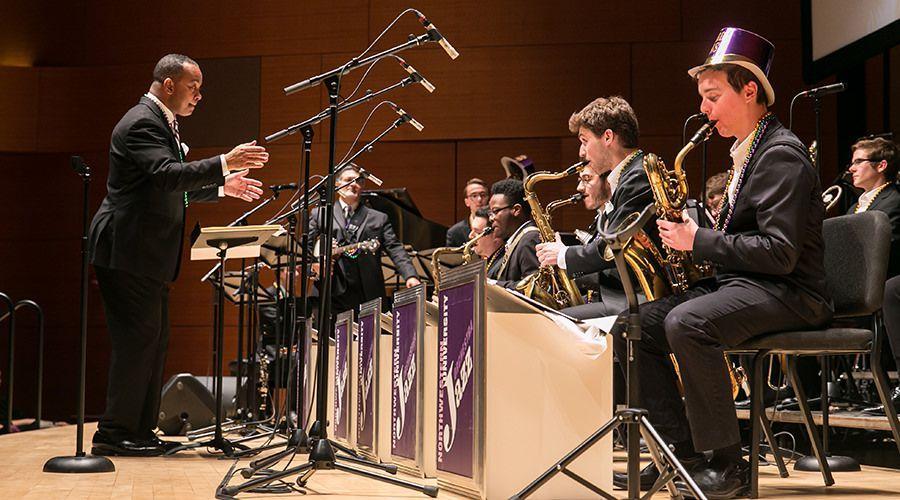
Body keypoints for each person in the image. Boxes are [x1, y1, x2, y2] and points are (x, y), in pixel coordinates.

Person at [611, 28, 832, 498]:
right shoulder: (749, 153)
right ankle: (679, 455)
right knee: (634, 325)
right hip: (752, 284)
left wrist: (700, 241)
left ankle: (728, 466)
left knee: (689, 322)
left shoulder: (781, 155)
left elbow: (779, 252)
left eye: (713, 97)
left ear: (749, 90)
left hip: (793, 293)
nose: (704, 111)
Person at [89, 54, 269, 456]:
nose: (199, 96)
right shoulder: (140, 123)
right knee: (137, 342)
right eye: (194, 87)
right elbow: (168, 175)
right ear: (168, 85)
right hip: (126, 247)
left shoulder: (159, 123)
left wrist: (224, 188)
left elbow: (170, 185)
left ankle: (139, 428)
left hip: (144, 253)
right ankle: (115, 432)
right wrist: (225, 162)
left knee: (154, 341)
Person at [535, 96, 658, 318]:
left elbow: (614, 246)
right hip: (623, 293)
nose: (581, 152)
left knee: (552, 323)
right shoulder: (627, 176)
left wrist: (564, 255)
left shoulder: (638, 176)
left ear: (608, 137)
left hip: (638, 297)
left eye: (584, 141)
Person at [308, 163, 420, 314]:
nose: (353, 184)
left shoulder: (378, 218)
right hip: (330, 290)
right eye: (349, 180)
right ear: (337, 183)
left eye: (358, 181)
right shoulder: (320, 214)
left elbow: (395, 248)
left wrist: (410, 275)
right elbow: (305, 248)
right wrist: (314, 267)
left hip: (367, 290)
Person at [845, 136, 900, 415]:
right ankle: (803, 388)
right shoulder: (856, 206)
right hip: (856, 282)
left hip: (880, 282)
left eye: (858, 162)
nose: (851, 168)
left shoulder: (894, 200)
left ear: (881, 165)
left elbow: (882, 249)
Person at [486, 178, 540, 288]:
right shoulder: (516, 240)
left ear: (516, 210)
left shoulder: (530, 239)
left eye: (495, 211)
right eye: (490, 213)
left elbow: (536, 289)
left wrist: (493, 285)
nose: (491, 218)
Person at [446, 178, 489, 247]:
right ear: (467, 202)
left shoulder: (497, 226)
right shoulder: (454, 232)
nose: (479, 199)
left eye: (483, 195)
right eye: (474, 196)